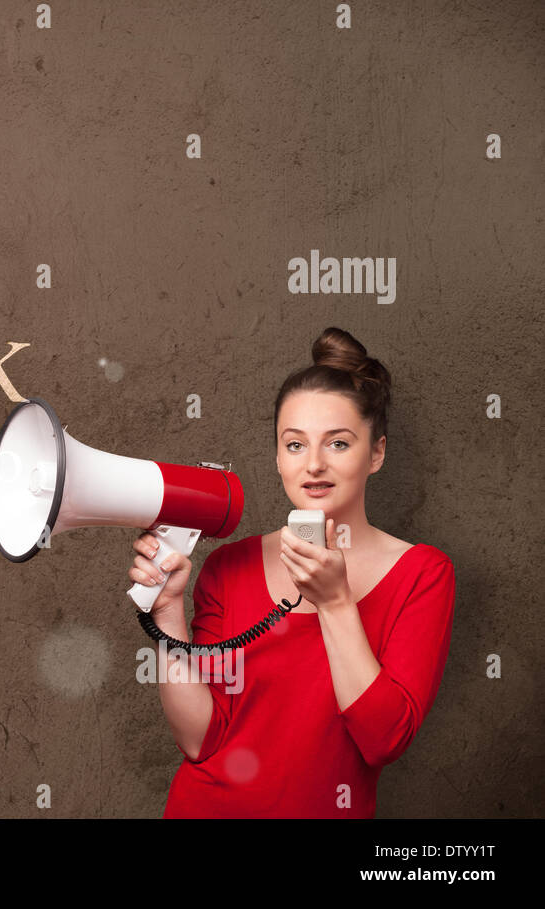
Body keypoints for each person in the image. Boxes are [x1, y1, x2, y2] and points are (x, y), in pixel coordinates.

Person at [129, 327, 456, 818]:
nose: (315, 465)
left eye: (339, 444)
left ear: (377, 453)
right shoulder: (229, 567)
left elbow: (383, 739)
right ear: (279, 457)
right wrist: (169, 611)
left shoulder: (422, 575)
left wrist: (335, 602)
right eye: (296, 445)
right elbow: (200, 740)